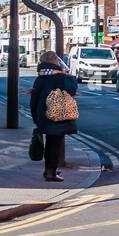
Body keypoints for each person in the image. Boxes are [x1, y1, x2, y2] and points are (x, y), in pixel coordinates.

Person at [29, 51, 79, 183]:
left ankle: (50, 169)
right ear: (54, 62)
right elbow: (72, 89)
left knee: (51, 142)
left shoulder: (40, 77)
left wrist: (35, 118)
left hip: (42, 115)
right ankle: (50, 173)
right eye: (57, 60)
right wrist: (69, 75)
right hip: (57, 116)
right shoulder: (61, 77)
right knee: (54, 144)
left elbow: (34, 100)